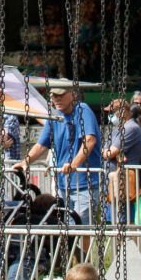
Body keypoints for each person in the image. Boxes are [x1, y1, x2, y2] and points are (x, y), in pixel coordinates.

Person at [42, 82, 100, 227]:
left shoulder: (82, 110)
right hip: (63, 184)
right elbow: (41, 145)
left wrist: (74, 164)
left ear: (73, 95)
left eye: (61, 95)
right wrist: (25, 161)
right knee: (64, 225)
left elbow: (90, 140)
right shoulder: (54, 115)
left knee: (78, 226)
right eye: (54, 95)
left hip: (85, 184)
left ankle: (81, 250)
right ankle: (71, 250)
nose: (57, 99)